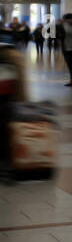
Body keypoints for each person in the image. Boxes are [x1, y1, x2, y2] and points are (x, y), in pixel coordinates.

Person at [0, 34, 27, 184]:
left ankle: (7, 169)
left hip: (6, 103)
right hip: (11, 103)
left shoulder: (7, 56)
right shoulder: (13, 54)